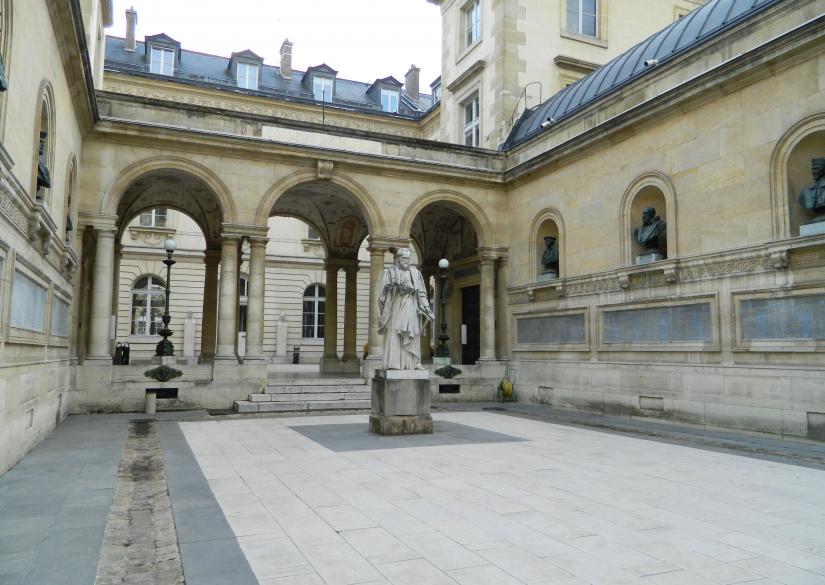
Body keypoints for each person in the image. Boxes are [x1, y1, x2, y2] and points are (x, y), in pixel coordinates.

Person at [377, 248, 434, 370]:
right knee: (395, 333)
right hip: (396, 306)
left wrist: (426, 308)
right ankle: (395, 363)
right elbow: (382, 292)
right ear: (397, 259)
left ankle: (413, 363)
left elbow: (422, 292)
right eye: (403, 258)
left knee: (413, 332)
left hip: (411, 305)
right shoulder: (390, 272)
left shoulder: (415, 273)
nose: (406, 261)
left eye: (408, 259)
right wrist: (396, 287)